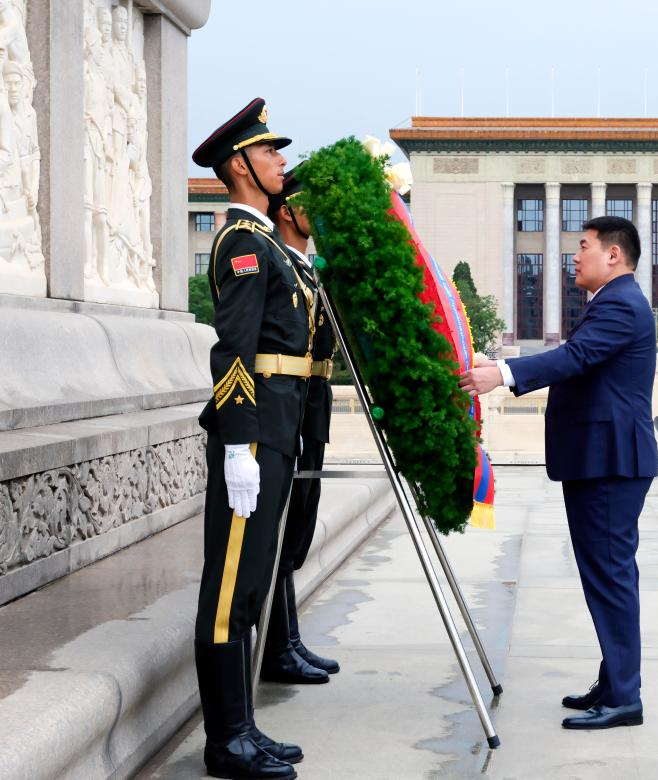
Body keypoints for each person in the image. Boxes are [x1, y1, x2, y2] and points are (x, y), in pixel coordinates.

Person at [459, 215, 657, 730]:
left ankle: (624, 697)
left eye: (584, 246)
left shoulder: (621, 303)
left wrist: (501, 375)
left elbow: (578, 357)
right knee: (606, 575)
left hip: (610, 463)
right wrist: (500, 365)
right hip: (600, 459)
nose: (576, 255)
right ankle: (615, 681)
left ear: (613, 255)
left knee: (611, 576)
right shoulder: (610, 302)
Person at [191, 97, 316, 780]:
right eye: (270, 152)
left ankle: (243, 728)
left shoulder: (266, 243)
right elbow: (232, 349)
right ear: (239, 165)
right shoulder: (242, 244)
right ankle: (225, 739)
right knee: (228, 585)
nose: (280, 161)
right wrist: (238, 441)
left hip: (276, 427)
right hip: (255, 431)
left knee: (249, 587)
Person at [261, 165, 340, 684]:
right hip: (284, 407)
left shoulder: (308, 268)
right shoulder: (275, 262)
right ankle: (276, 649)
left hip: (310, 405)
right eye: (310, 201)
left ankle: (288, 639)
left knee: (300, 525)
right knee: (283, 528)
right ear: (288, 209)